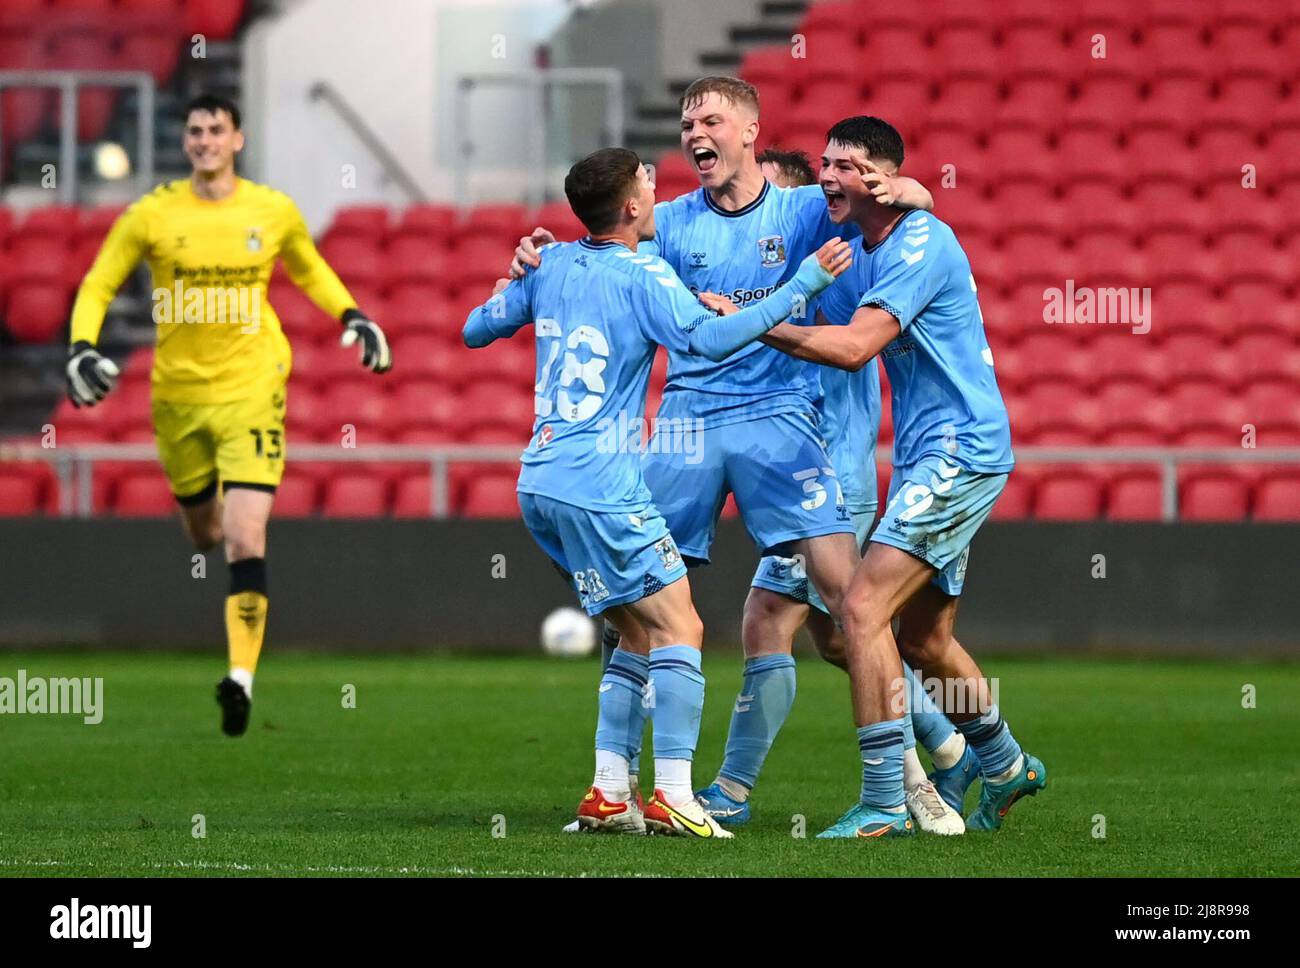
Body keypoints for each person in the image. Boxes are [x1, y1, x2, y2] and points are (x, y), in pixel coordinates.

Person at [511, 78, 955, 835]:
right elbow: (602, 247)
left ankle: (908, 781)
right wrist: (538, 256)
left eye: (710, 118)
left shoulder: (803, 209)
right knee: (636, 614)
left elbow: (893, 207)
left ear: (750, 131)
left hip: (780, 421)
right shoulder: (672, 221)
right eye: (686, 123)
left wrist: (917, 188)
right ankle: (614, 790)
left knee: (850, 602)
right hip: (687, 422)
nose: (694, 133)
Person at [463, 147, 851, 837]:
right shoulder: (645, 275)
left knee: (636, 632)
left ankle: (610, 793)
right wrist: (801, 286)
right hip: (601, 485)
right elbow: (709, 342)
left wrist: (515, 271)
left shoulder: (550, 263)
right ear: (633, 207)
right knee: (683, 628)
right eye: (648, 180)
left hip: (539, 484)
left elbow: (475, 329)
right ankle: (674, 793)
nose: (658, 188)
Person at [732, 116, 1047, 835]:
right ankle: (1003, 764)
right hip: (923, 456)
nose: (828, 177)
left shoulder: (920, 244)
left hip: (959, 451)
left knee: (860, 611)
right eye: (825, 163)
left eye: (844, 166)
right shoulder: (870, 248)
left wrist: (745, 320)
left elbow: (850, 349)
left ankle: (883, 803)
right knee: (923, 640)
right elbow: (821, 314)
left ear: (878, 176)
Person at [65, 94, 392, 736]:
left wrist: (353, 315)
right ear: (185, 141)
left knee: (246, 535)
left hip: (252, 387)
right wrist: (82, 347)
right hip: (179, 398)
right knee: (203, 533)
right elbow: (99, 282)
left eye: (217, 129)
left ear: (237, 139)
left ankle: (239, 677)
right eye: (195, 130)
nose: (205, 139)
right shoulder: (152, 215)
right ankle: (206, 528)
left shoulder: (271, 210)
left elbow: (309, 268)